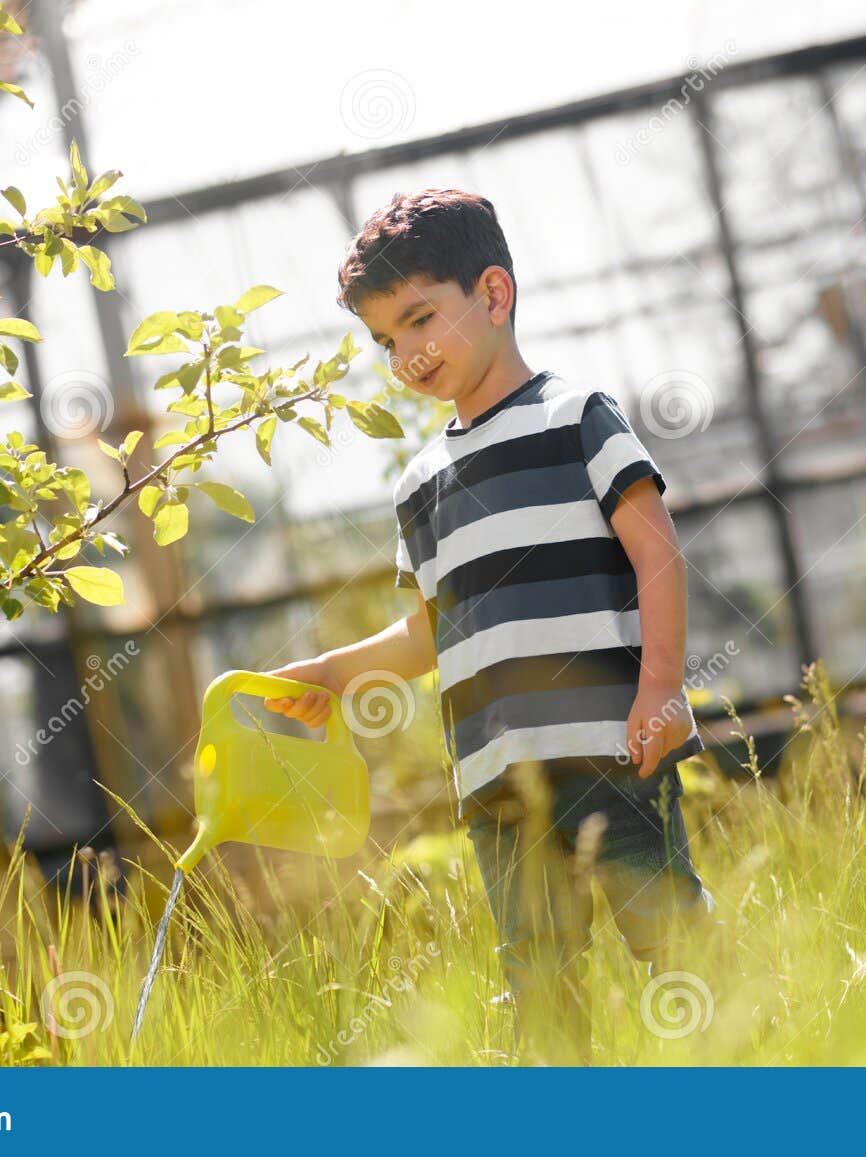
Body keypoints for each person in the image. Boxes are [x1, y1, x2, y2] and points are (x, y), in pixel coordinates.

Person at [262, 188, 717, 1064]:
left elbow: (655, 551)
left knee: (675, 951)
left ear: (495, 295)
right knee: (539, 987)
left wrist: (660, 689)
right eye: (387, 340)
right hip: (498, 790)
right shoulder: (421, 484)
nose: (407, 354)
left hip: (611, 756)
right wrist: (332, 670)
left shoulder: (575, 418)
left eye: (421, 319)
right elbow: (429, 633)